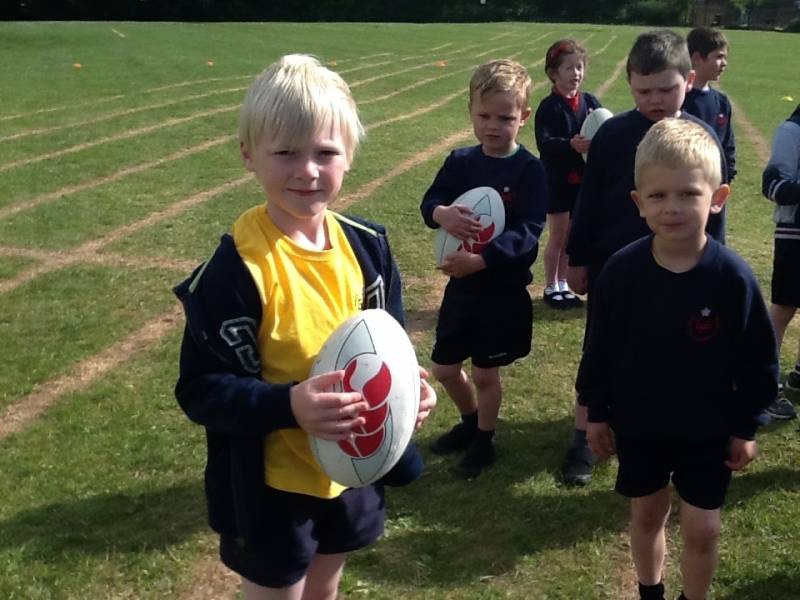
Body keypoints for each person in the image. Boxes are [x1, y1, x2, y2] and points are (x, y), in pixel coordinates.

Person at [173, 54, 436, 600]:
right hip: (273, 485)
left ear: (350, 157)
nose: (307, 170)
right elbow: (200, 391)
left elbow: (388, 341)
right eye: (286, 152)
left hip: (350, 468)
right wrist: (288, 406)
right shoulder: (235, 271)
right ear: (249, 154)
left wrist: (409, 390)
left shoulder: (367, 247)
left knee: (326, 581)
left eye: (325, 152)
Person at [580, 118, 778, 600]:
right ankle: (651, 592)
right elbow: (599, 346)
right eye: (658, 196)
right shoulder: (621, 273)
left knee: (703, 528)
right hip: (641, 424)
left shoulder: (732, 278)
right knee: (648, 515)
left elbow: (759, 359)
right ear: (638, 203)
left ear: (718, 198)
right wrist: (595, 411)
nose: (673, 208)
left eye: (688, 194)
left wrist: (747, 426)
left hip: (708, 429)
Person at [560, 29, 730, 486]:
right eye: (643, 90)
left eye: (666, 89)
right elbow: (590, 200)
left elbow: (714, 206)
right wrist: (577, 258)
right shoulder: (614, 135)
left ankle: (658, 423)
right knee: (600, 345)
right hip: (613, 268)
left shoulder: (701, 137)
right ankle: (582, 437)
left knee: (668, 346)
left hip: (679, 270)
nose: (655, 99)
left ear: (690, 80)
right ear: (630, 84)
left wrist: (717, 261)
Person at [420, 59, 548, 478]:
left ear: (523, 117)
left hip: (500, 291)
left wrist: (481, 259)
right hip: (461, 287)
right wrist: (442, 213)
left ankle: (485, 441)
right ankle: (471, 421)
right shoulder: (460, 161)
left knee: (485, 371)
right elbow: (430, 201)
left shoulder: (529, 169)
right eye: (484, 115)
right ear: (471, 112)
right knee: (443, 367)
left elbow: (528, 230)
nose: (493, 125)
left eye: (506, 117)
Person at [534, 38, 602, 309]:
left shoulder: (591, 102)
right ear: (553, 73)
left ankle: (564, 283)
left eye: (580, 67)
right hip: (558, 182)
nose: (576, 73)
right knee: (558, 236)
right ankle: (551, 285)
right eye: (568, 68)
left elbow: (603, 128)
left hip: (582, 184)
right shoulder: (549, 107)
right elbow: (545, 143)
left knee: (573, 237)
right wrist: (569, 145)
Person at [762, 103, 800, 420]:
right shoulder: (792, 131)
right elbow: (772, 184)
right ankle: (764, 386)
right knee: (783, 310)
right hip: (795, 235)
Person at [682, 27, 736, 182]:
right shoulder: (680, 99)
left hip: (715, 185)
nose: (724, 63)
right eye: (719, 57)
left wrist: (726, 178)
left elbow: (728, 146)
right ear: (696, 58)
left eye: (725, 58)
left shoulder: (722, 102)